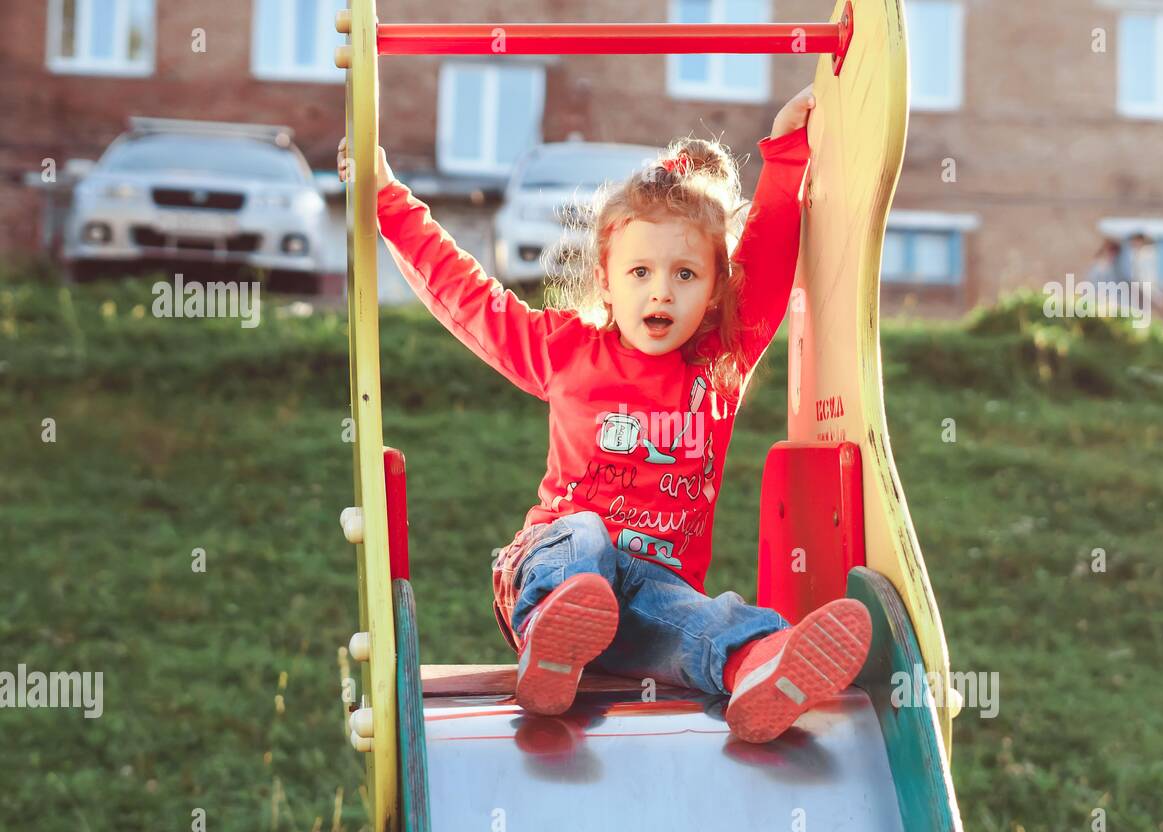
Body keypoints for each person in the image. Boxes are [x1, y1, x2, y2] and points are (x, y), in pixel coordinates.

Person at [337, 84, 873, 744]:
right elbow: (468, 296)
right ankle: (552, 640)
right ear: (608, 280)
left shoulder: (717, 369)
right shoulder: (566, 353)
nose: (661, 290)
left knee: (705, 617)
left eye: (685, 275)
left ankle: (761, 669)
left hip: (644, 609)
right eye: (641, 271)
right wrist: (389, 202)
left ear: (713, 293)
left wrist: (789, 152)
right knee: (584, 536)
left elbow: (764, 262)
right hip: (548, 571)